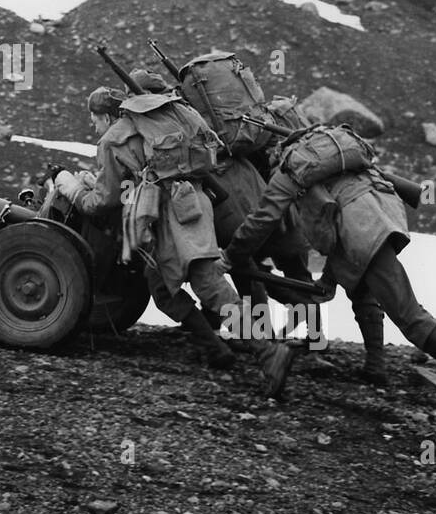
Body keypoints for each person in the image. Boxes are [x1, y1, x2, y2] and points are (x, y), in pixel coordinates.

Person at [53, 86, 295, 399]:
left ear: (108, 116)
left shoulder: (114, 139)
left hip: (176, 213)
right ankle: (214, 347)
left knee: (209, 284)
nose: (93, 125)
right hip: (188, 202)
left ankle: (268, 352)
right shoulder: (149, 125)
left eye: (95, 118)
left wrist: (70, 187)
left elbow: (103, 201)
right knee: (161, 286)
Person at [222, 159, 436, 412]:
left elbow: (263, 219)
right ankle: (375, 366)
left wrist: (231, 255)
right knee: (366, 281)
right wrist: (329, 279)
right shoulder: (333, 156)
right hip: (378, 212)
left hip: (361, 226)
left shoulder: (289, 170)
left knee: (407, 313)